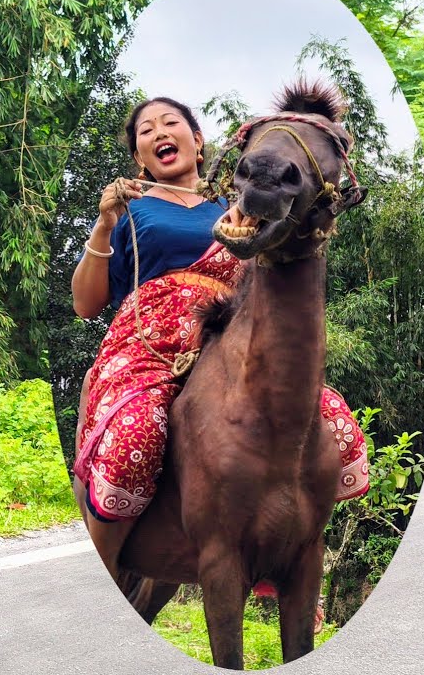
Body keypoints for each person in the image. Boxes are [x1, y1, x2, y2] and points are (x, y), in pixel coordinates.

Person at [70, 96, 371, 524]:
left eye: (170, 122)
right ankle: (113, 556)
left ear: (197, 140)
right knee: (136, 431)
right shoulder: (129, 213)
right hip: (151, 348)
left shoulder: (243, 208)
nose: (159, 132)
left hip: (234, 341)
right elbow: (85, 305)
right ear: (139, 157)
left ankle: (287, 548)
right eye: (146, 130)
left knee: (332, 422)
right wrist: (104, 224)